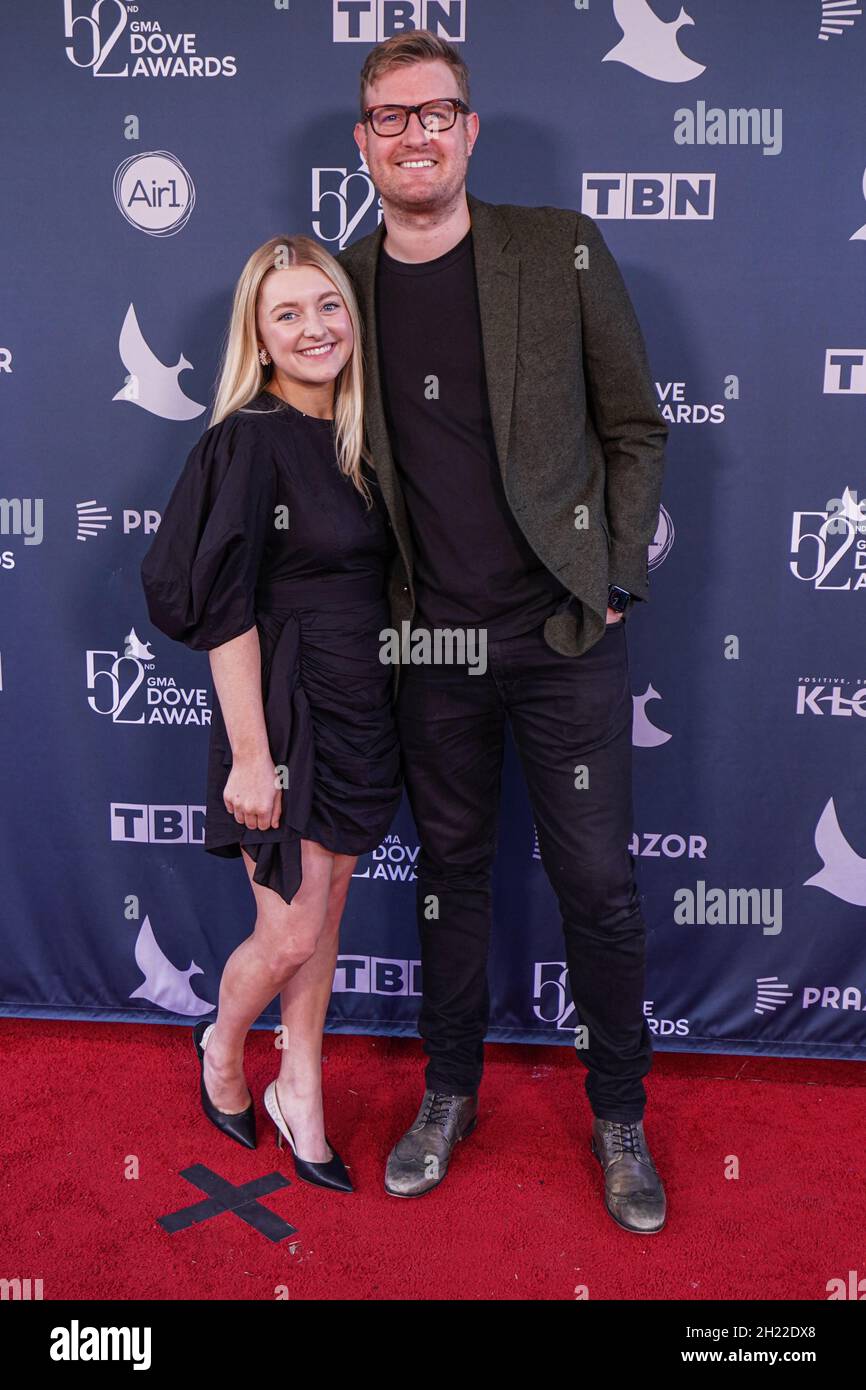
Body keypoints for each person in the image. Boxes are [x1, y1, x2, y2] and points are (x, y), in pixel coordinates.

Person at [337, 31, 669, 1232]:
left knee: (597, 885)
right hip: (429, 644)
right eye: (390, 115)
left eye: (437, 111)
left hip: (560, 634)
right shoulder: (343, 287)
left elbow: (635, 424)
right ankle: (446, 1091)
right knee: (449, 878)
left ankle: (619, 1113)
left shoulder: (556, 247)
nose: (415, 132)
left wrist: (615, 572)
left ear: (470, 131)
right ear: (362, 141)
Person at [140, 236, 402, 1193]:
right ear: (257, 334)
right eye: (286, 313)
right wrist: (251, 758)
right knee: (290, 928)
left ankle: (302, 1090)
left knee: (326, 913)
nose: (313, 327)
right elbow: (225, 610)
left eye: (327, 305)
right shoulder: (249, 439)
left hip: (362, 702)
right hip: (284, 712)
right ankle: (221, 1047)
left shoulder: (359, 438)